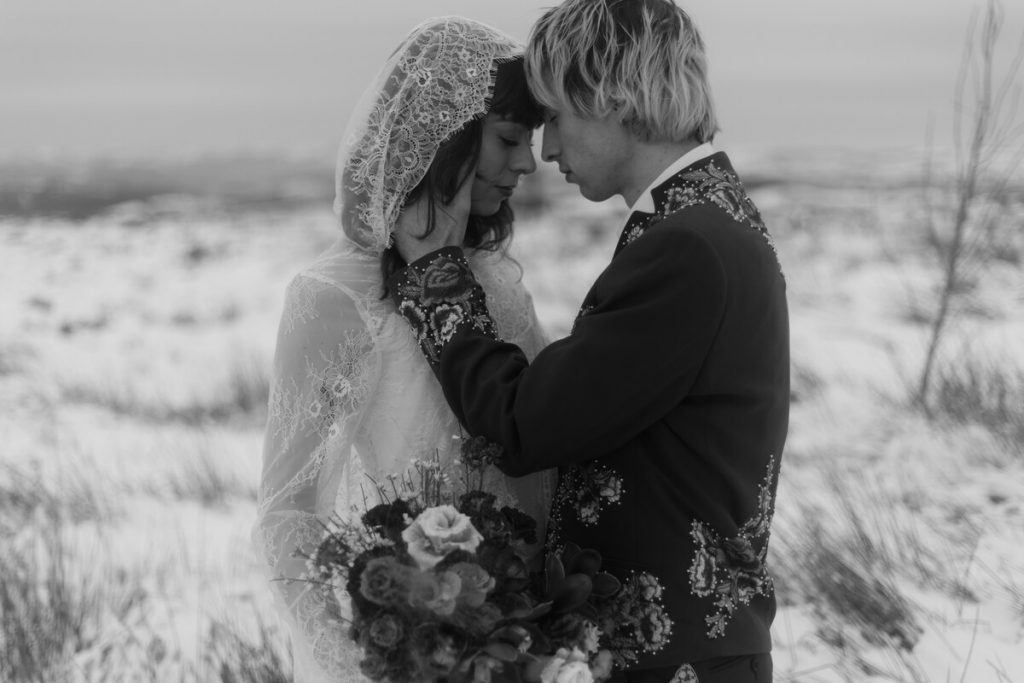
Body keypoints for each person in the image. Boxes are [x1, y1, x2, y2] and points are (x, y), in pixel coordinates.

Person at [388, 1, 789, 682]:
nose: (546, 151)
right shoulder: (707, 221)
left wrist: (435, 277)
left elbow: (526, 422)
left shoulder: (688, 246)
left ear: (611, 96)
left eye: (556, 118)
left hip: (676, 663)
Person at [252, 17, 556, 683]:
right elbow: (286, 517)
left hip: (525, 647)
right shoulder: (334, 297)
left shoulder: (498, 285)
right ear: (447, 138)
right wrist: (371, 657)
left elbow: (539, 458)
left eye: (530, 141)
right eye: (509, 139)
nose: (528, 163)